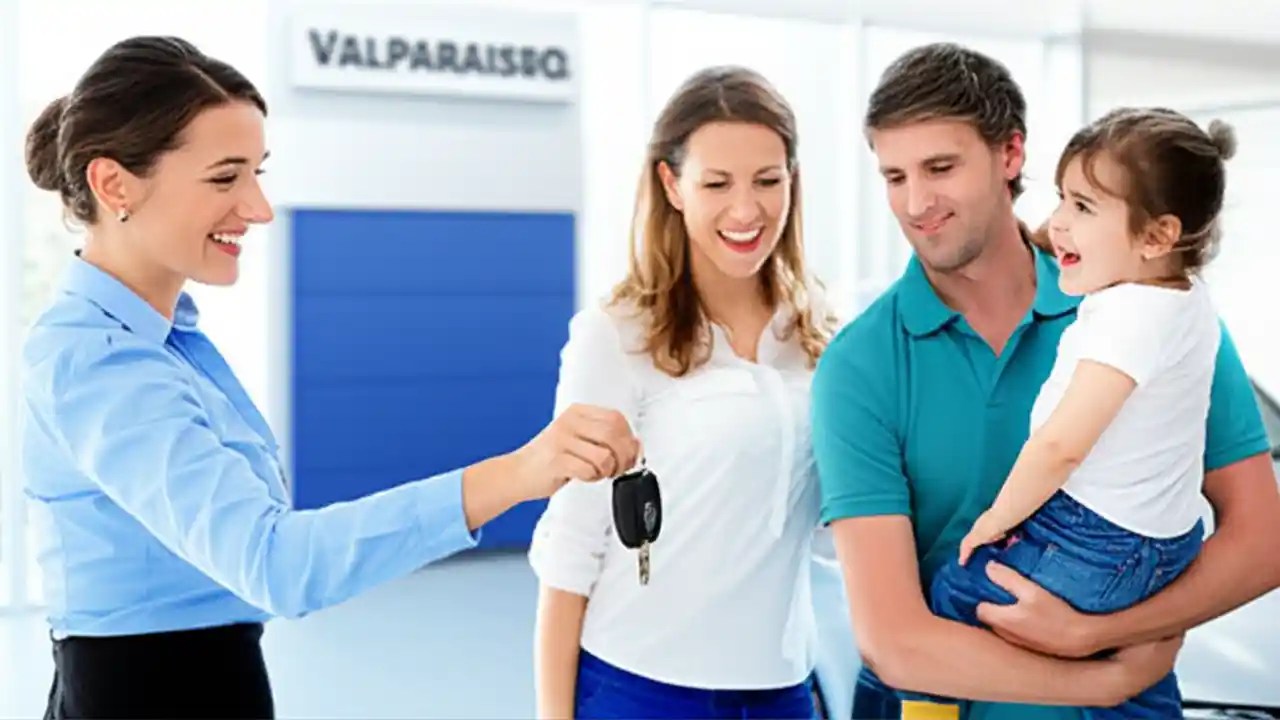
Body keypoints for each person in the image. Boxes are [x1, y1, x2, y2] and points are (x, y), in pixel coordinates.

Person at [21, 36, 639, 720]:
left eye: (258, 172)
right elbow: (277, 564)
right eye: (226, 178)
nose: (257, 208)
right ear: (114, 185)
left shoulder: (169, 342)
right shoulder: (98, 360)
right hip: (146, 693)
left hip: (204, 676)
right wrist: (518, 474)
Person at [811, 42, 1280, 720]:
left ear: (1010, 155)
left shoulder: (1152, 311)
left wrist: (1097, 634)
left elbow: (1262, 545)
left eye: (941, 167)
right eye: (893, 176)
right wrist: (1103, 675)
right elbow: (894, 642)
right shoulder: (861, 368)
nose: (916, 203)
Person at [899, 107, 1238, 720]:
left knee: (955, 589)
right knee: (1130, 677)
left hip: (1095, 541)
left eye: (1083, 208)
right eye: (1061, 200)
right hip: (1169, 539)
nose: (1058, 225)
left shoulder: (1126, 319)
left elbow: (1062, 447)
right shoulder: (1182, 299)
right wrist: (1046, 236)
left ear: (1157, 236)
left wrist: (996, 520)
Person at [527, 66, 838, 720]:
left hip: (783, 690)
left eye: (768, 180)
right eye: (716, 183)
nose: (746, 210)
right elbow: (571, 553)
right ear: (671, 184)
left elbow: (833, 528)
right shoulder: (616, 339)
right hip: (638, 689)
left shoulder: (823, 341)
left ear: (793, 179)